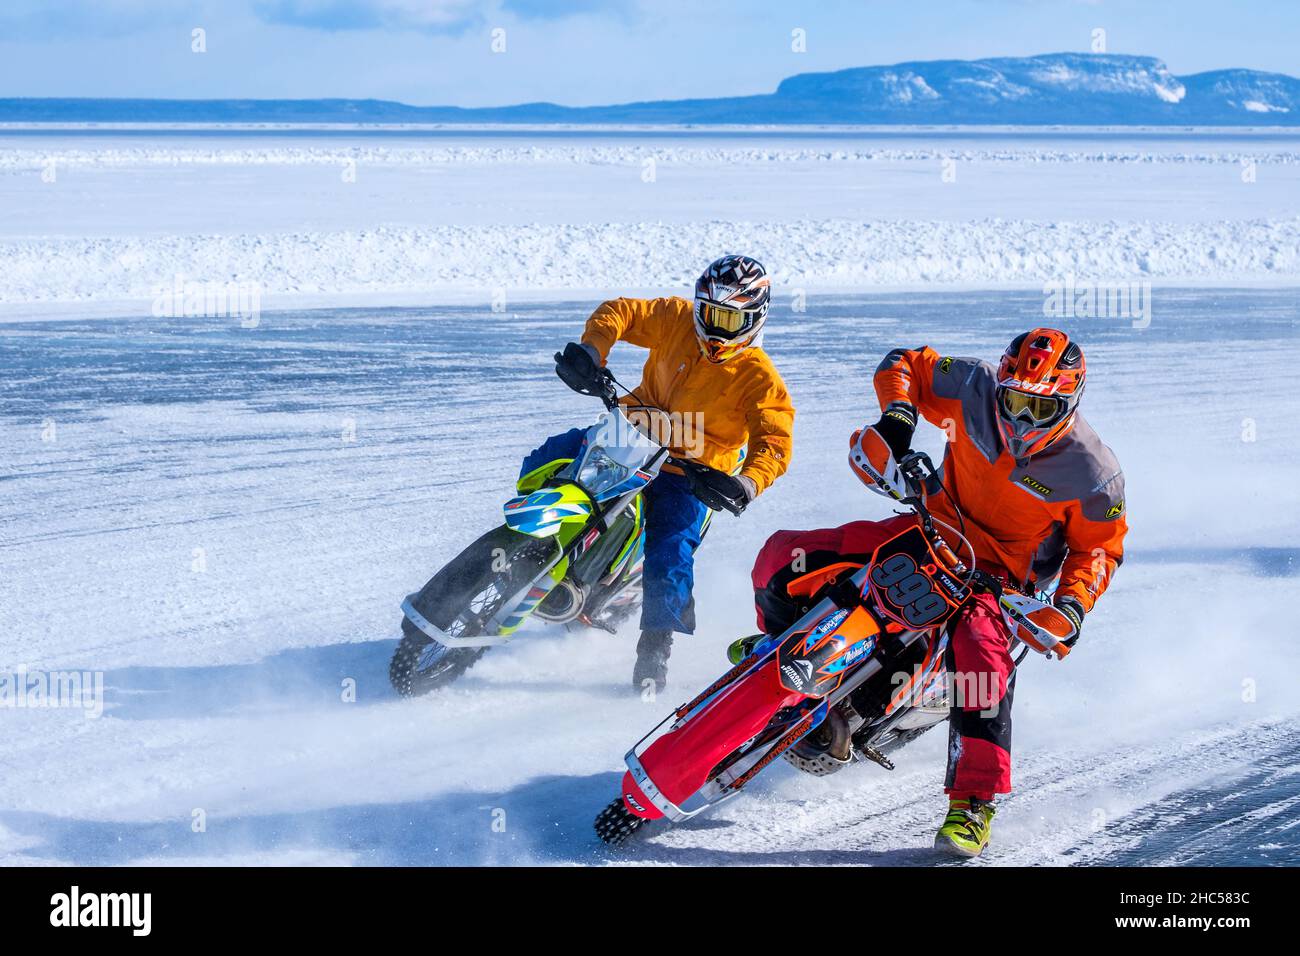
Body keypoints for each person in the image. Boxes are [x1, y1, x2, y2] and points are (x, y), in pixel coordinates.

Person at [750, 328, 1127, 856]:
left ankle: (972, 803)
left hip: (996, 582)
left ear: (1070, 402)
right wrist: (898, 417)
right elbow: (903, 361)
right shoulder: (973, 387)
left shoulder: (1093, 474)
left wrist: (1070, 605)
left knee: (982, 663)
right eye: (1015, 400)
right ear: (1001, 385)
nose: (1021, 419)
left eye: (1040, 409)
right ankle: (773, 645)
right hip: (928, 527)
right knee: (783, 557)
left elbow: (1099, 551)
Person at [524, 255, 795, 692]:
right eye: (709, 313)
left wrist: (745, 483)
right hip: (628, 434)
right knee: (548, 458)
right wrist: (592, 351)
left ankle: (655, 645)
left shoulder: (760, 379)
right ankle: (526, 548)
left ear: (753, 318)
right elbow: (623, 312)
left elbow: (775, 444)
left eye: (729, 318)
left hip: (691, 474)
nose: (715, 326)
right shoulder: (676, 319)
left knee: (670, 551)